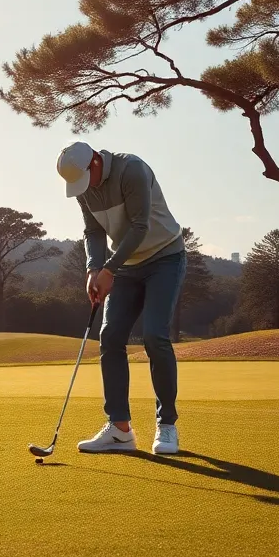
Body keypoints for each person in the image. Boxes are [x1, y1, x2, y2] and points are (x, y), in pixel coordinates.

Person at [56, 142, 186, 455]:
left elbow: (140, 226)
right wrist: (92, 269)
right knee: (110, 336)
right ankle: (119, 429)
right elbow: (93, 232)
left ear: (96, 162)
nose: (84, 189)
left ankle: (166, 425)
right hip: (125, 266)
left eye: (85, 180)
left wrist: (109, 270)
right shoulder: (84, 188)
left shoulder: (133, 170)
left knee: (155, 336)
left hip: (164, 257)